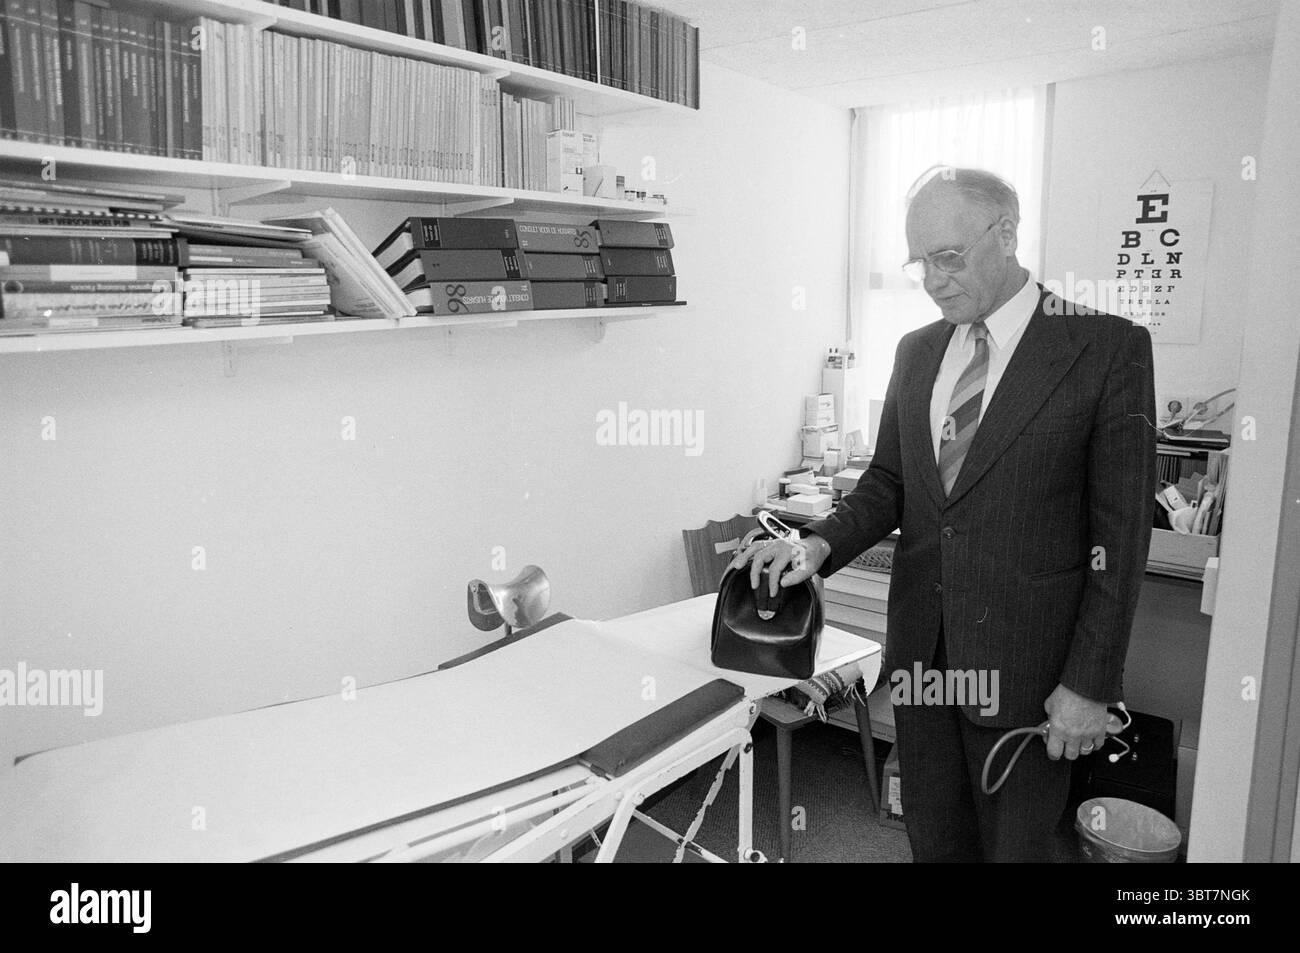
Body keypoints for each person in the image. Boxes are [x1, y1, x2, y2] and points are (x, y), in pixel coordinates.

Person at [732, 166, 1156, 862]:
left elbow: (1123, 539)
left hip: (1032, 674)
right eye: (918, 262)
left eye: (947, 257)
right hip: (925, 665)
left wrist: (1089, 685)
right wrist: (814, 548)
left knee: (1020, 851)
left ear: (1008, 233)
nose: (931, 278)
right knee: (935, 844)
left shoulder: (1104, 349)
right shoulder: (918, 351)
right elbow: (887, 484)